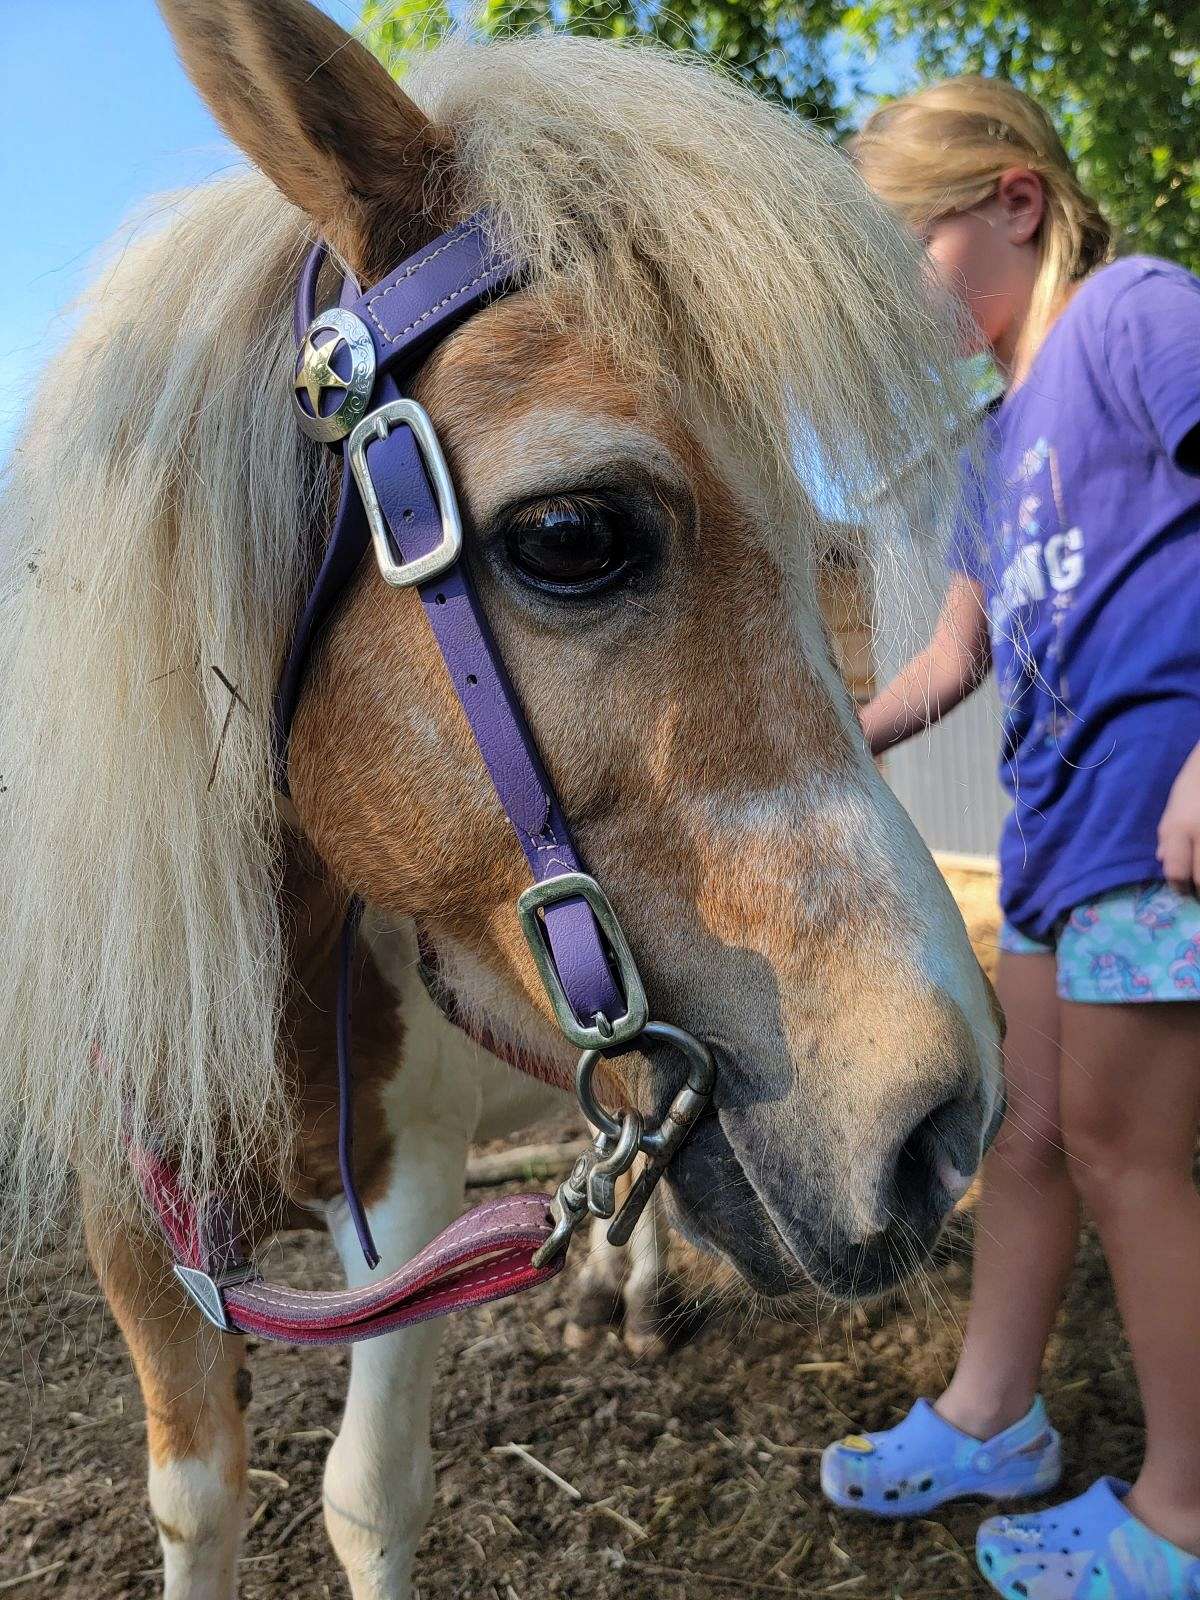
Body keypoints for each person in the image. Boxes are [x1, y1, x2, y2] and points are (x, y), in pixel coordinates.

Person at [820, 76, 1200, 1600]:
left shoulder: (1134, 319)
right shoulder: (994, 437)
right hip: (1051, 851)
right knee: (1027, 1140)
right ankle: (993, 1417)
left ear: (1014, 203)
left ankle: (1184, 1508)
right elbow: (951, 660)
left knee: (1127, 1158)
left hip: (1152, 830)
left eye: (899, 253)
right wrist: (826, 746)